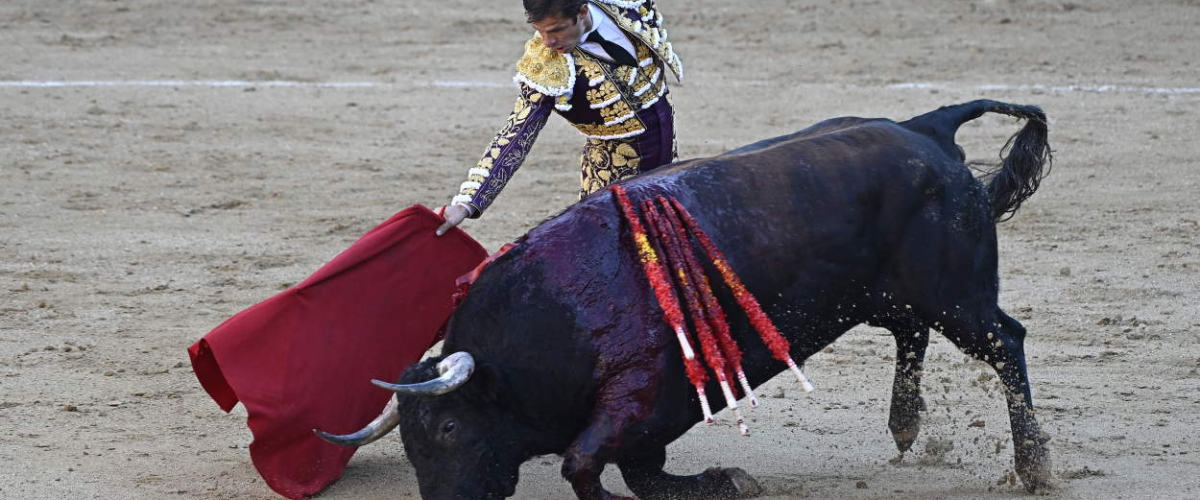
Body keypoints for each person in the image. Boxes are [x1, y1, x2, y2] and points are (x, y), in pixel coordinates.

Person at [436, 0, 683, 236]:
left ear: (583, 12)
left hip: (666, 161)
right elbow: (517, 132)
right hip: (612, 172)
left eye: (558, 30)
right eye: (540, 31)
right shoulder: (547, 67)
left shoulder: (620, 5)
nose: (549, 41)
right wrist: (467, 203)